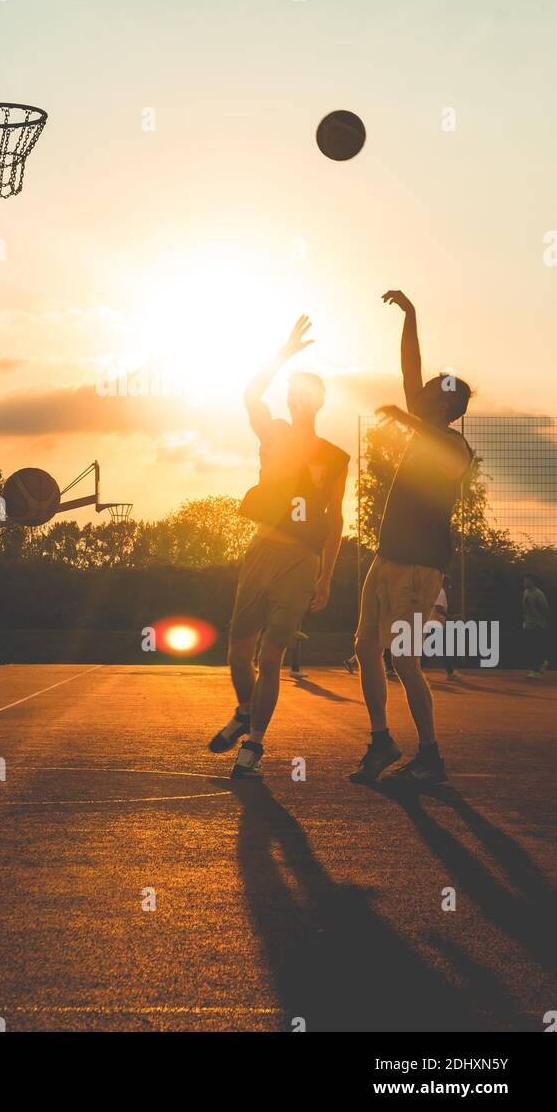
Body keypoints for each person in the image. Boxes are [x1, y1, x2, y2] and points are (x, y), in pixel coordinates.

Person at [209, 315, 349, 777]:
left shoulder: (334, 457)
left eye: (307, 393)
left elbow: (336, 519)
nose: (299, 399)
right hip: (262, 550)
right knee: (237, 652)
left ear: (320, 401)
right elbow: (250, 394)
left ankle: (255, 741)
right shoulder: (274, 432)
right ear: (289, 398)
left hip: (301, 561)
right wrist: (283, 354)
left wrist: (326, 574)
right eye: (293, 391)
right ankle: (244, 710)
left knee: (272, 657)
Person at [350, 291, 473, 786]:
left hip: (420, 567)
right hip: (388, 560)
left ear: (444, 402)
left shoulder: (454, 445)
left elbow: (440, 447)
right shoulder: (425, 424)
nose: (415, 388)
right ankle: (382, 740)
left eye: (427, 389)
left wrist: (404, 421)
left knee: (404, 658)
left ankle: (431, 756)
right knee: (366, 649)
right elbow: (410, 365)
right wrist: (411, 316)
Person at [522, 573, 550, 678]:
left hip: (537, 625)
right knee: (529, 648)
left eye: (527, 581)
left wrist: (541, 622)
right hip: (527, 624)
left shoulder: (539, 594)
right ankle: (541, 663)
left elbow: (545, 608)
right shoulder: (525, 592)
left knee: (534, 648)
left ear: (532, 581)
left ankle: (536, 671)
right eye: (524, 581)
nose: (525, 583)